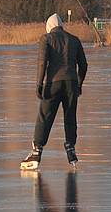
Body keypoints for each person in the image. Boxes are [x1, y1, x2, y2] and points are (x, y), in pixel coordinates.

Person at [21, 13, 88, 170]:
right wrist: (79, 83)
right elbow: (84, 65)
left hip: (53, 83)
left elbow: (42, 62)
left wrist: (39, 84)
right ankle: (70, 147)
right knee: (70, 116)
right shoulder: (74, 39)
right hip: (71, 83)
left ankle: (37, 151)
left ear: (49, 26)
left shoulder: (46, 39)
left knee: (45, 116)